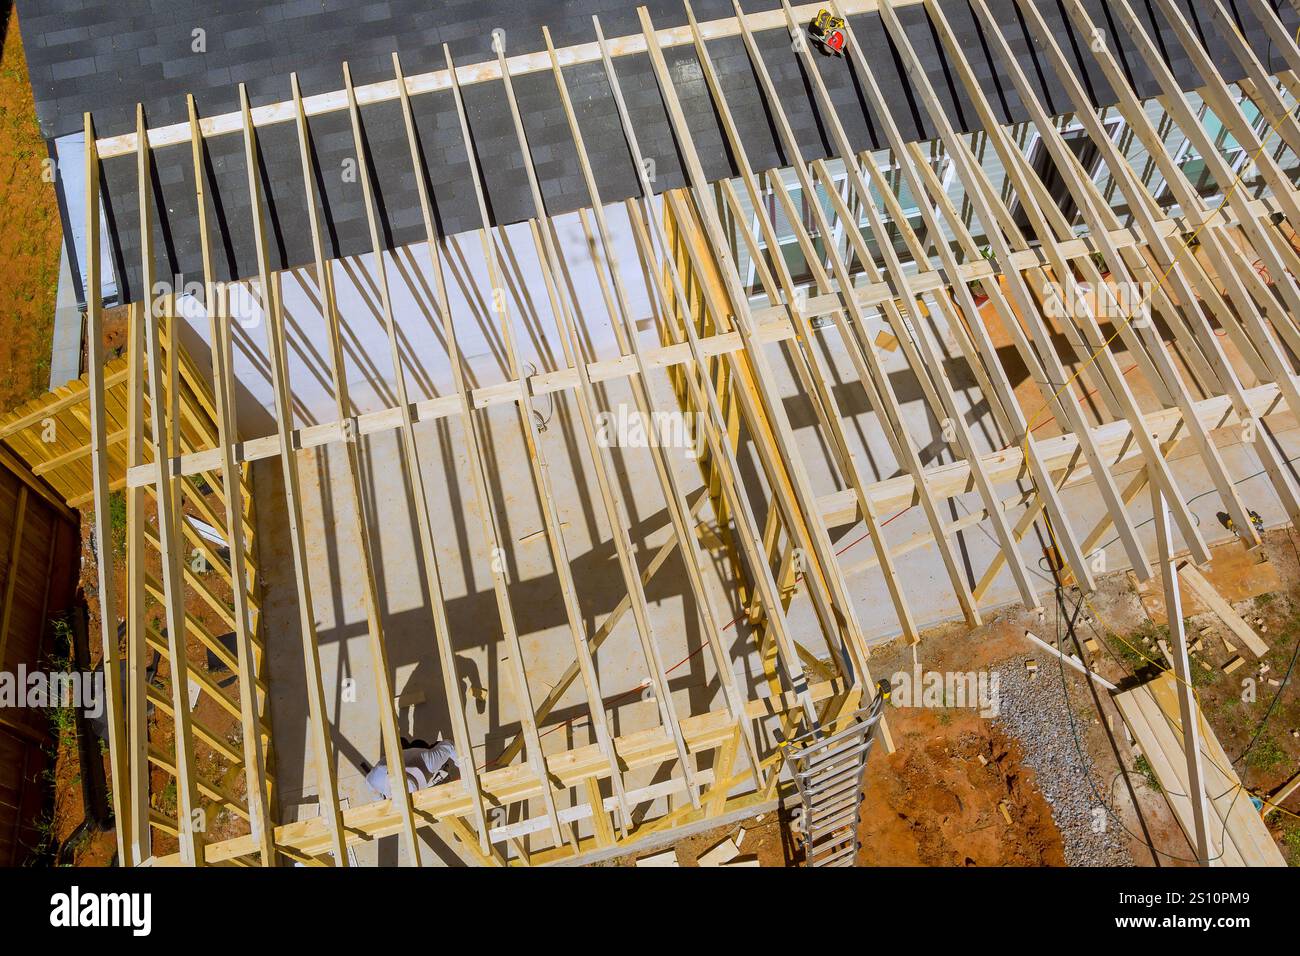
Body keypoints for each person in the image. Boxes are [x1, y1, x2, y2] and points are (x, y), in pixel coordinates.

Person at [361, 738, 458, 799]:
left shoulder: (429, 763)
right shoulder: (376, 778)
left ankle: (413, 746)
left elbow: (449, 746)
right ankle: (408, 745)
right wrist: (379, 800)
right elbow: (369, 783)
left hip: (419, 755)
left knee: (420, 744)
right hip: (403, 756)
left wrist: (463, 766)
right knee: (404, 741)